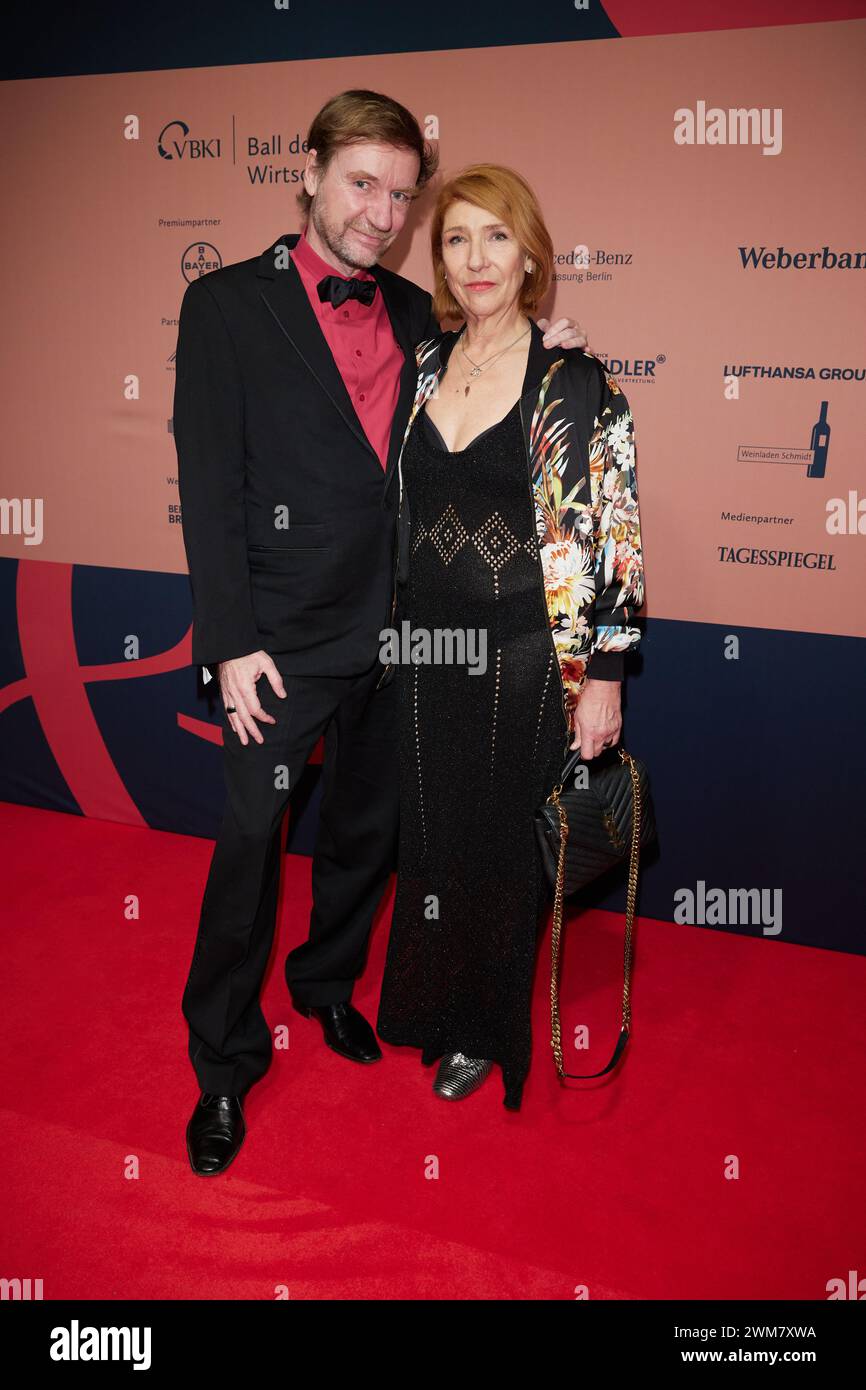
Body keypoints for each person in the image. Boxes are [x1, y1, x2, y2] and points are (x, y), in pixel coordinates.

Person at [175, 91, 586, 1175]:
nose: (383, 212)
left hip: (403, 636)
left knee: (365, 837)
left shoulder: (417, 314)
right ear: (305, 173)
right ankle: (221, 1066)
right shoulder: (223, 307)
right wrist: (229, 640)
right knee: (250, 846)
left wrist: (554, 356)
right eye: (362, 183)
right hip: (275, 646)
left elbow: (490, 399)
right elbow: (210, 486)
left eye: (403, 195)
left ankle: (324, 987)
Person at [376, 164, 645, 1109]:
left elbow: (615, 535)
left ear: (529, 253)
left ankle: (482, 1029)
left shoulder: (572, 381)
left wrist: (604, 675)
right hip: (423, 652)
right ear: (438, 258)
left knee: (497, 849)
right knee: (434, 838)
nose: (475, 258)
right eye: (456, 239)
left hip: (524, 657)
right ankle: (425, 1002)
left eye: (496, 237)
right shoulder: (423, 364)